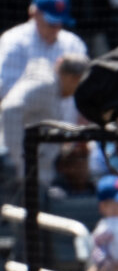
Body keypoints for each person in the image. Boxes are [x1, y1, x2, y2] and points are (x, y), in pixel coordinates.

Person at [1, 54, 85, 187]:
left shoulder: (52, 86)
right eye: (79, 84)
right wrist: (22, 159)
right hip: (13, 170)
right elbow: (10, 108)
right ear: (72, 78)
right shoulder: (46, 83)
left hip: (28, 174)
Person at [0, 0, 86, 104]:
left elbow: (84, 87)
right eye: (51, 23)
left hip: (66, 120)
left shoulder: (74, 43)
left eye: (60, 22)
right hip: (25, 119)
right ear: (34, 14)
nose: (56, 28)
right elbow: (4, 89)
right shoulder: (14, 40)